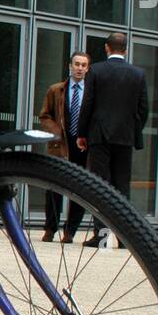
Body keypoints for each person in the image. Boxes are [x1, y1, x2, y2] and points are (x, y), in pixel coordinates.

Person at [76, 32, 147, 246]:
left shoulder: (96, 70)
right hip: (124, 138)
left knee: (101, 185)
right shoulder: (138, 74)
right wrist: (133, 130)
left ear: (107, 48)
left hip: (100, 136)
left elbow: (87, 104)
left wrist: (82, 133)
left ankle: (102, 237)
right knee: (122, 188)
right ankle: (125, 239)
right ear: (125, 49)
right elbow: (143, 109)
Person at [37, 51, 90, 243]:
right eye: (77, 64)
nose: (80, 68)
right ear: (70, 66)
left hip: (82, 147)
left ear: (87, 68)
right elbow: (44, 115)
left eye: (84, 65)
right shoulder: (56, 90)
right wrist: (57, 132)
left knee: (79, 188)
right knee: (54, 187)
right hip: (60, 144)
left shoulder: (92, 92)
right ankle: (50, 228)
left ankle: (70, 231)